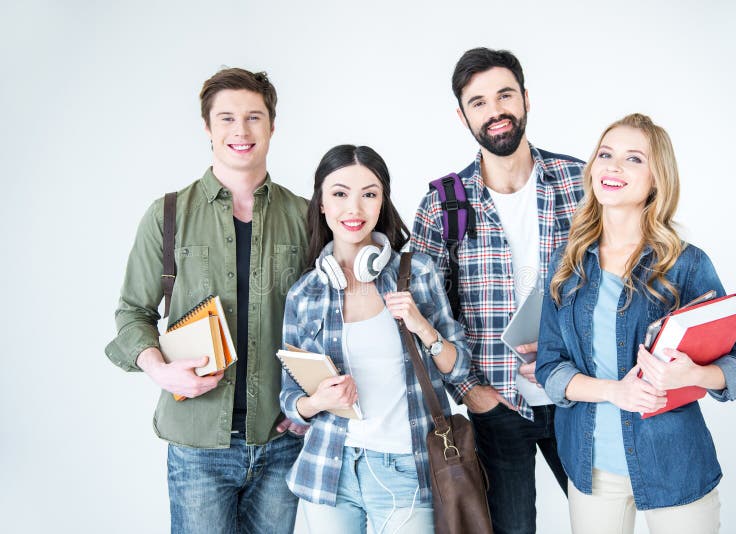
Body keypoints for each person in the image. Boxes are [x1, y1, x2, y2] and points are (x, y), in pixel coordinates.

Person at [105, 67, 308, 533]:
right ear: (207, 127)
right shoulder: (168, 214)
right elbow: (132, 312)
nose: (241, 131)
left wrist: (311, 407)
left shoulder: (303, 215)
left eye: (254, 117)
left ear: (272, 125)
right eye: (227, 118)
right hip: (197, 445)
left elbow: (325, 319)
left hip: (281, 440)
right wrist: (159, 369)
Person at [535, 113, 736, 534]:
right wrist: (614, 392)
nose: (614, 166)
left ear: (657, 180)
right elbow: (549, 367)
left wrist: (693, 375)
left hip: (674, 465)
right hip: (591, 467)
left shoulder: (686, 265)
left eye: (634, 158)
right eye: (606, 154)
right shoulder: (567, 263)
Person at [411, 47, 583, 533]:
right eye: (479, 102)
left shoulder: (580, 182)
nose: (495, 111)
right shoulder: (443, 204)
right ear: (462, 115)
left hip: (578, 394)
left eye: (505, 95)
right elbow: (423, 314)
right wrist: (470, 391)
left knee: (604, 522)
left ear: (526, 98)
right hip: (498, 405)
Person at [279, 144, 471, 534]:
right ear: (321, 204)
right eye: (340, 194)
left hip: (406, 467)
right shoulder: (304, 293)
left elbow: (459, 367)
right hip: (329, 470)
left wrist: (422, 327)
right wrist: (318, 402)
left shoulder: (417, 273)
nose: (354, 208)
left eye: (369, 194)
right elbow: (289, 397)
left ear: (382, 202)